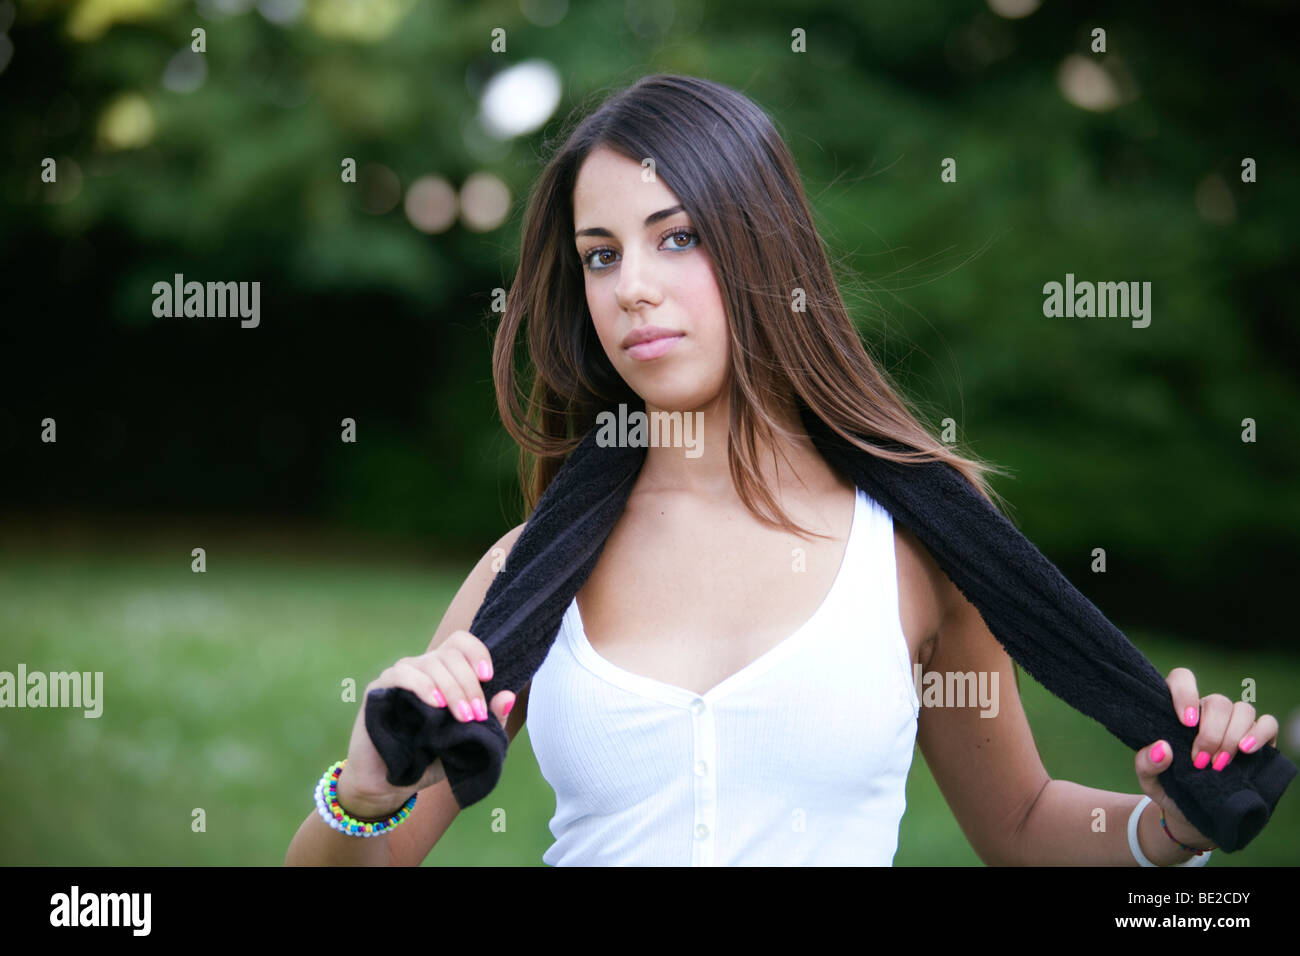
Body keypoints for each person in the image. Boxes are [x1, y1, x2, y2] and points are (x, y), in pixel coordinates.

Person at [285, 74, 1278, 866]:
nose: (630, 287)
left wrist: (1167, 829)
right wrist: (360, 794)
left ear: (764, 246)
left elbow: (1019, 820)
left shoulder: (922, 541)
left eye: (676, 237)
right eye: (598, 255)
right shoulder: (528, 574)